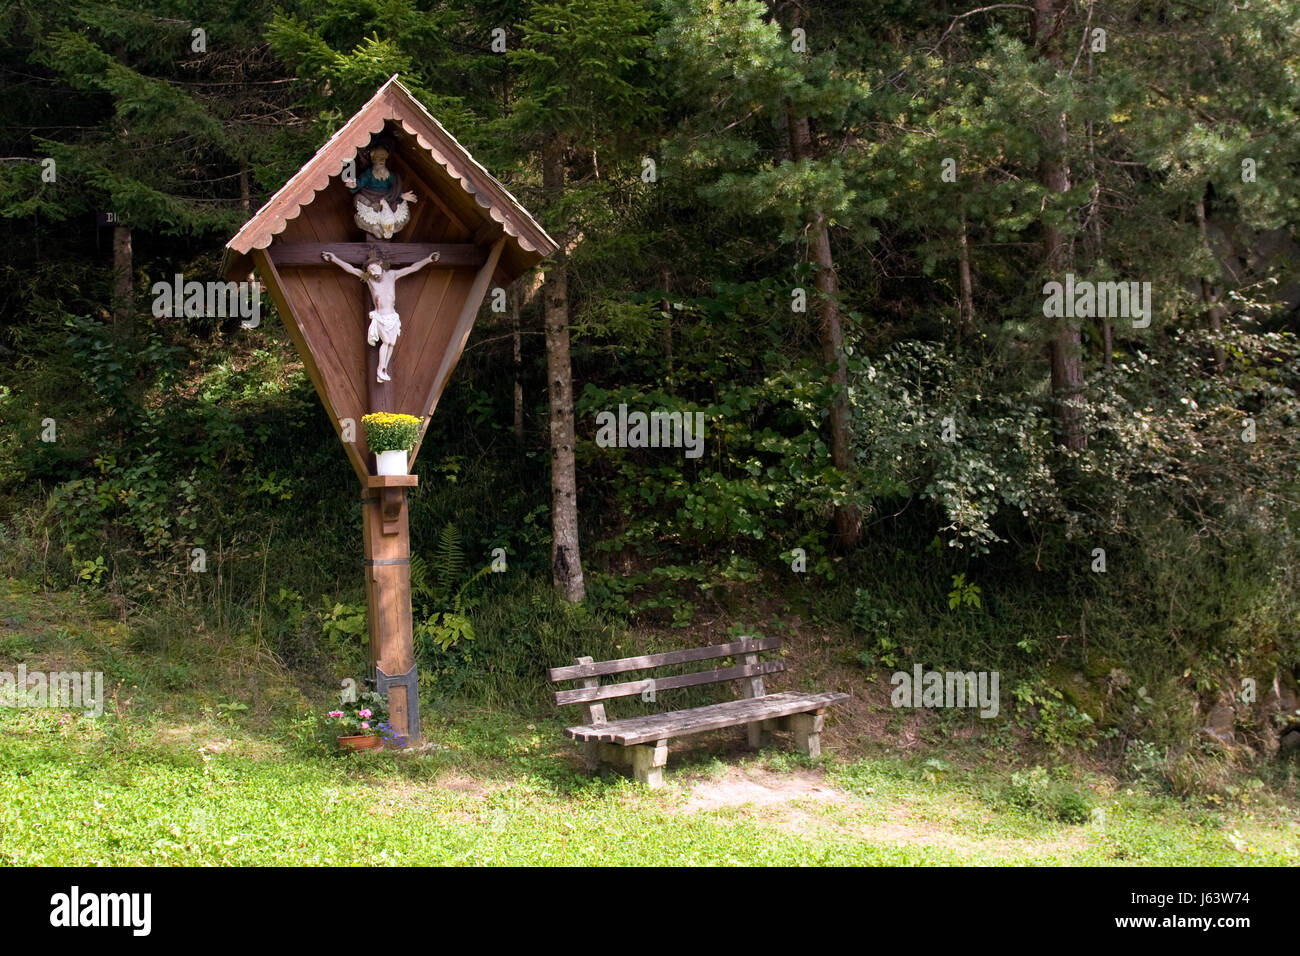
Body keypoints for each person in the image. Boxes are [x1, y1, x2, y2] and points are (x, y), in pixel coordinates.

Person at [320, 248, 440, 383]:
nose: (372, 272)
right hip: (380, 317)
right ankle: (379, 369)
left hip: (392, 316)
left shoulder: (392, 275)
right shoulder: (369, 280)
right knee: (387, 341)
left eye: (374, 269)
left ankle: (383, 370)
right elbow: (351, 269)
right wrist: (334, 258)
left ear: (380, 264)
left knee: (392, 343)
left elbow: (412, 268)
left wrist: (428, 260)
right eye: (370, 271)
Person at [344, 140, 418, 240]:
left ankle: (390, 228)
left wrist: (402, 196)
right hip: (370, 198)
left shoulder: (391, 176)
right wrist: (354, 185)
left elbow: (395, 190)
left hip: (387, 199)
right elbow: (361, 182)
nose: (380, 162)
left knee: (400, 212)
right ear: (373, 160)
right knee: (360, 200)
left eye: (382, 160)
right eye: (378, 159)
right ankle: (375, 227)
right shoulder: (369, 173)